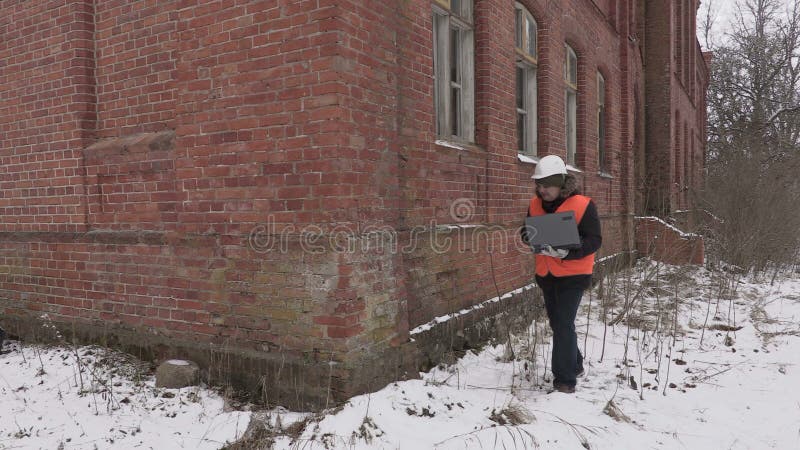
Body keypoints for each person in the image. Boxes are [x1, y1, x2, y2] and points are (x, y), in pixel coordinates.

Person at [521, 155, 602, 393]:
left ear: (561, 184)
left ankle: (565, 379)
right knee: (559, 323)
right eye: (539, 185)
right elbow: (526, 230)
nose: (542, 190)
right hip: (546, 274)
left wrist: (569, 251)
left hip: (573, 276)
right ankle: (575, 363)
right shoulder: (534, 204)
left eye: (547, 185)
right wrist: (528, 236)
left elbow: (594, 240)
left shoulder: (583, 204)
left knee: (564, 323)